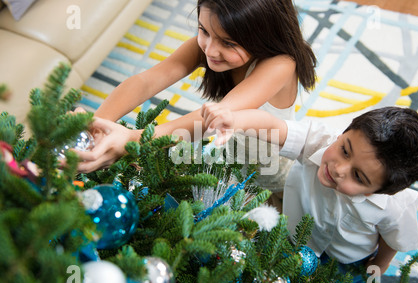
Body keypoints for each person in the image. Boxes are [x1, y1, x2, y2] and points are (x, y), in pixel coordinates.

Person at [76, 0, 317, 198]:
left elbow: (215, 119)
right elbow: (147, 81)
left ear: (263, 37)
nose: (210, 50)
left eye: (228, 43)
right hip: (224, 161)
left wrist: (130, 140)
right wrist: (96, 124)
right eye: (203, 30)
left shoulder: (281, 65)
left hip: (270, 181)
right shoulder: (210, 44)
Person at [201, 105, 418, 283]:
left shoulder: (394, 205)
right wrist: (235, 119)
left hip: (345, 260)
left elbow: (392, 238)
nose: (338, 168)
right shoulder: (319, 141)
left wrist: (379, 264)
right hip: (291, 232)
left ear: (379, 190)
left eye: (358, 177)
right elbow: (274, 126)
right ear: (343, 133)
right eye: (344, 150)